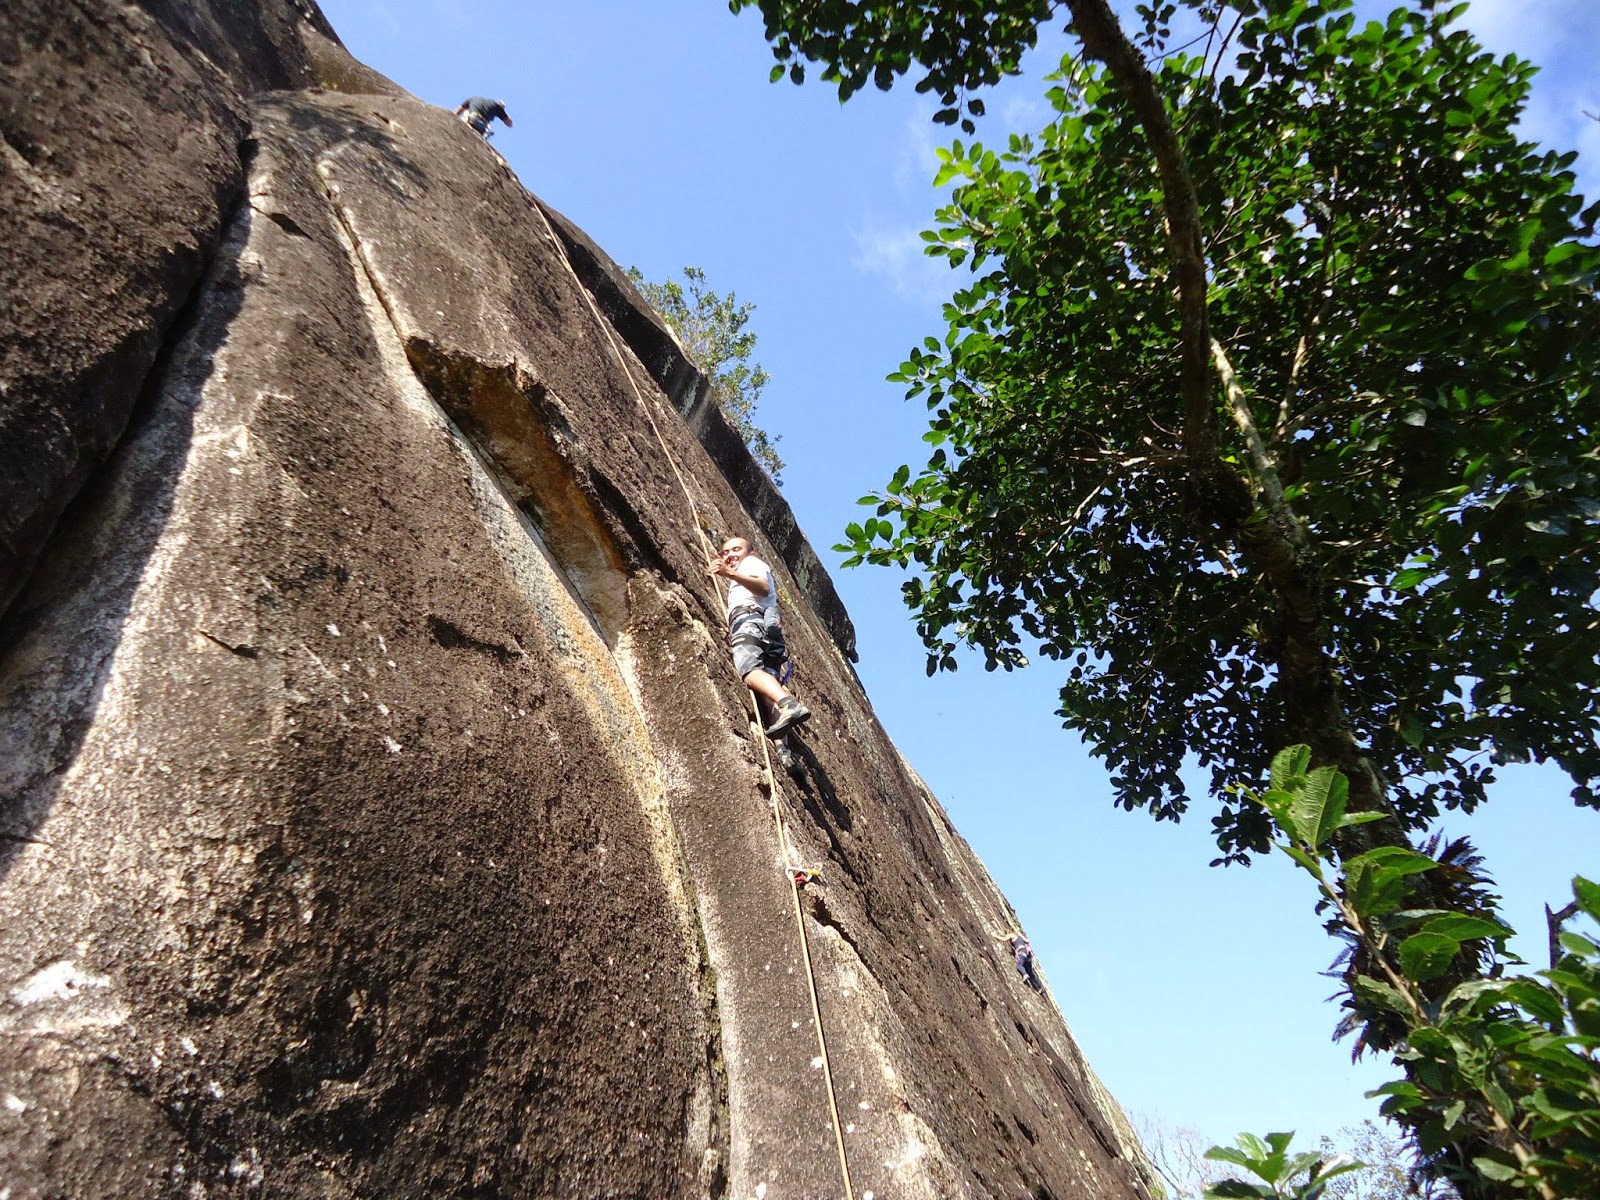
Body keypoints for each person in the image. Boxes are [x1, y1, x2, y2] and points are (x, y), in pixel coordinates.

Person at [708, 537, 811, 743]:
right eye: (725, 552)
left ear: (750, 552)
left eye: (736, 549)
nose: (729, 555)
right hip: (765, 630)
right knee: (767, 689)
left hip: (750, 620)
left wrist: (729, 573)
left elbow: (762, 587)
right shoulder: (745, 570)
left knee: (749, 670)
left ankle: (789, 703)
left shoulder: (752, 563)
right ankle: (783, 750)